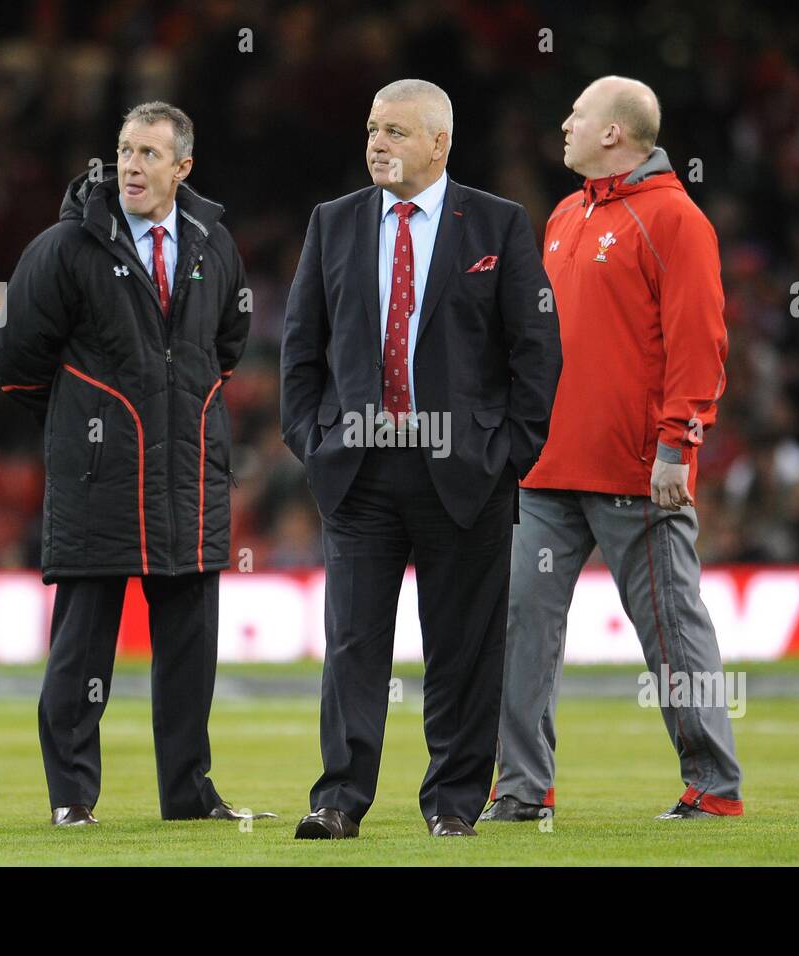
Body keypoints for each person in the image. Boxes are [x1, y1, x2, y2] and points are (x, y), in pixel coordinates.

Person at [280, 79, 561, 838]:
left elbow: (536, 351)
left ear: (440, 144)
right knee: (352, 645)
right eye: (373, 129)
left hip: (464, 470)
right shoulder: (332, 222)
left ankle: (453, 804)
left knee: (463, 649)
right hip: (360, 468)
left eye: (397, 132)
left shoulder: (498, 225)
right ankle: (338, 801)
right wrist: (313, 439)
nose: (378, 143)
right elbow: (300, 345)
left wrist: (509, 455)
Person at [0, 101, 265, 826]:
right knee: (80, 655)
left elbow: (224, 350)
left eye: (148, 153)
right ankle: (72, 801)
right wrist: (90, 423)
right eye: (124, 151)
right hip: (99, 479)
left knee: (189, 656)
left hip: (186, 479)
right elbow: (17, 362)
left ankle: (188, 795)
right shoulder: (65, 247)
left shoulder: (214, 246)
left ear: (183, 167)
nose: (132, 166)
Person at [484, 76, 744, 823]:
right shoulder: (564, 215)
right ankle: (523, 790)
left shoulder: (677, 221)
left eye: (577, 114)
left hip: (638, 472)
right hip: (545, 468)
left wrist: (676, 445)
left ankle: (713, 786)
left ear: (613, 134)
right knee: (519, 624)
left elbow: (702, 343)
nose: (563, 122)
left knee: (672, 631)